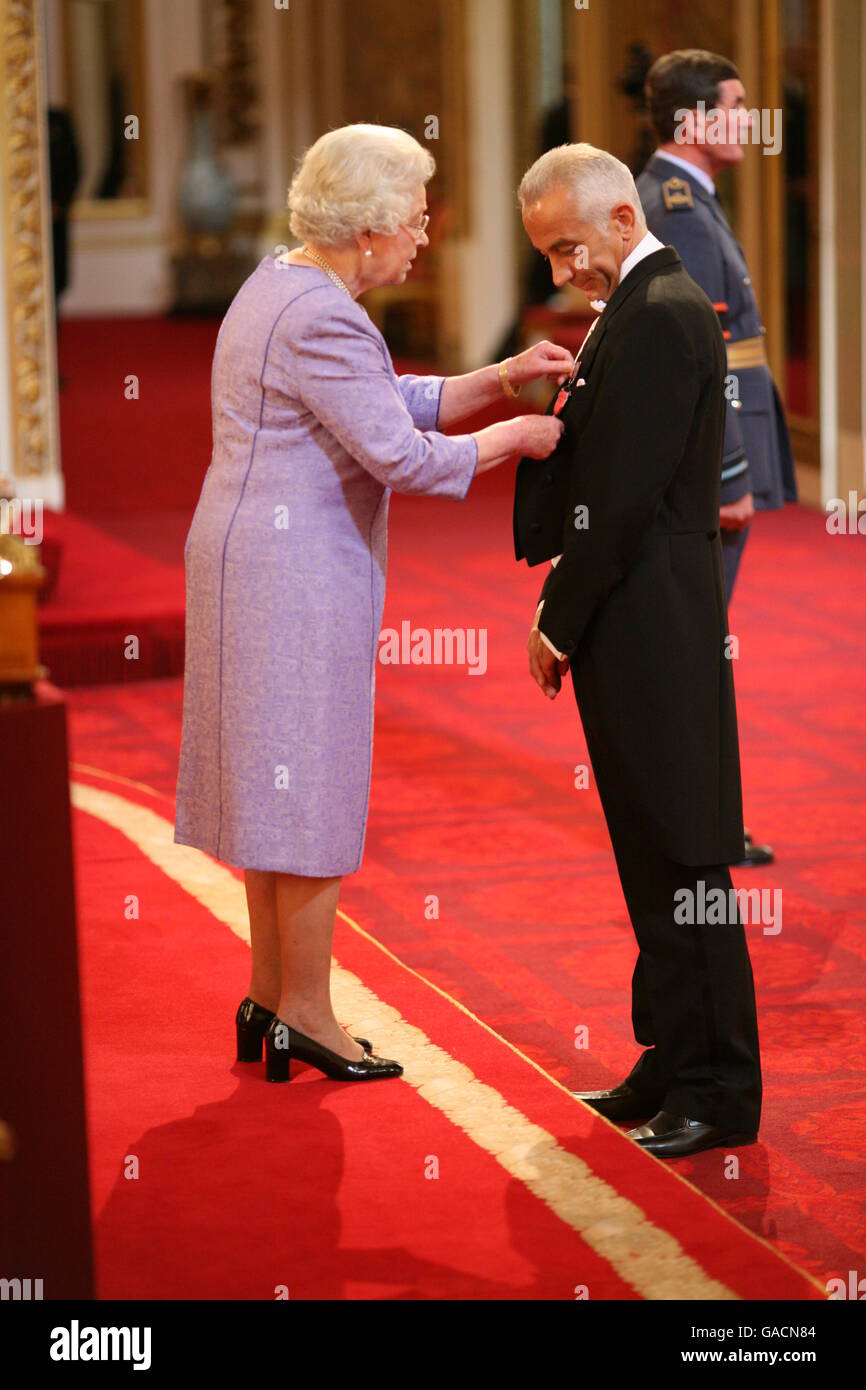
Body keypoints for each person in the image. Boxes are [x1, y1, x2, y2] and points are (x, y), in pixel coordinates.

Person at [174, 124, 568, 1086]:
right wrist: (515, 435)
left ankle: (270, 998)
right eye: (418, 221)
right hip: (294, 574)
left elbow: (374, 398)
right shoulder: (325, 315)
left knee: (270, 788)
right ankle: (307, 1010)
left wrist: (493, 378)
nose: (426, 239)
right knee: (304, 786)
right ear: (372, 229)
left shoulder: (286, 282)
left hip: (246, 557)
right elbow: (398, 454)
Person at [514, 143, 762, 1157]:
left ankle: (716, 1086)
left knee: (686, 858)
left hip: (653, 617)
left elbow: (617, 501)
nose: (561, 268)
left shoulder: (659, 310)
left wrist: (553, 617)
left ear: (621, 217)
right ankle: (669, 1054)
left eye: (568, 245)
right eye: (547, 253)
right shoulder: (637, 297)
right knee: (650, 856)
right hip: (635, 615)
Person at [637, 48, 798, 867]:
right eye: (735, 105)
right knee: (698, 651)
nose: (748, 119)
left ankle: (703, 821)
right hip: (713, 471)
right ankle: (698, 828)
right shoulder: (679, 212)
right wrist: (731, 477)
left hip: (714, 461)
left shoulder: (686, 199)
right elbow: (707, 358)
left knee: (702, 646)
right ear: (694, 122)